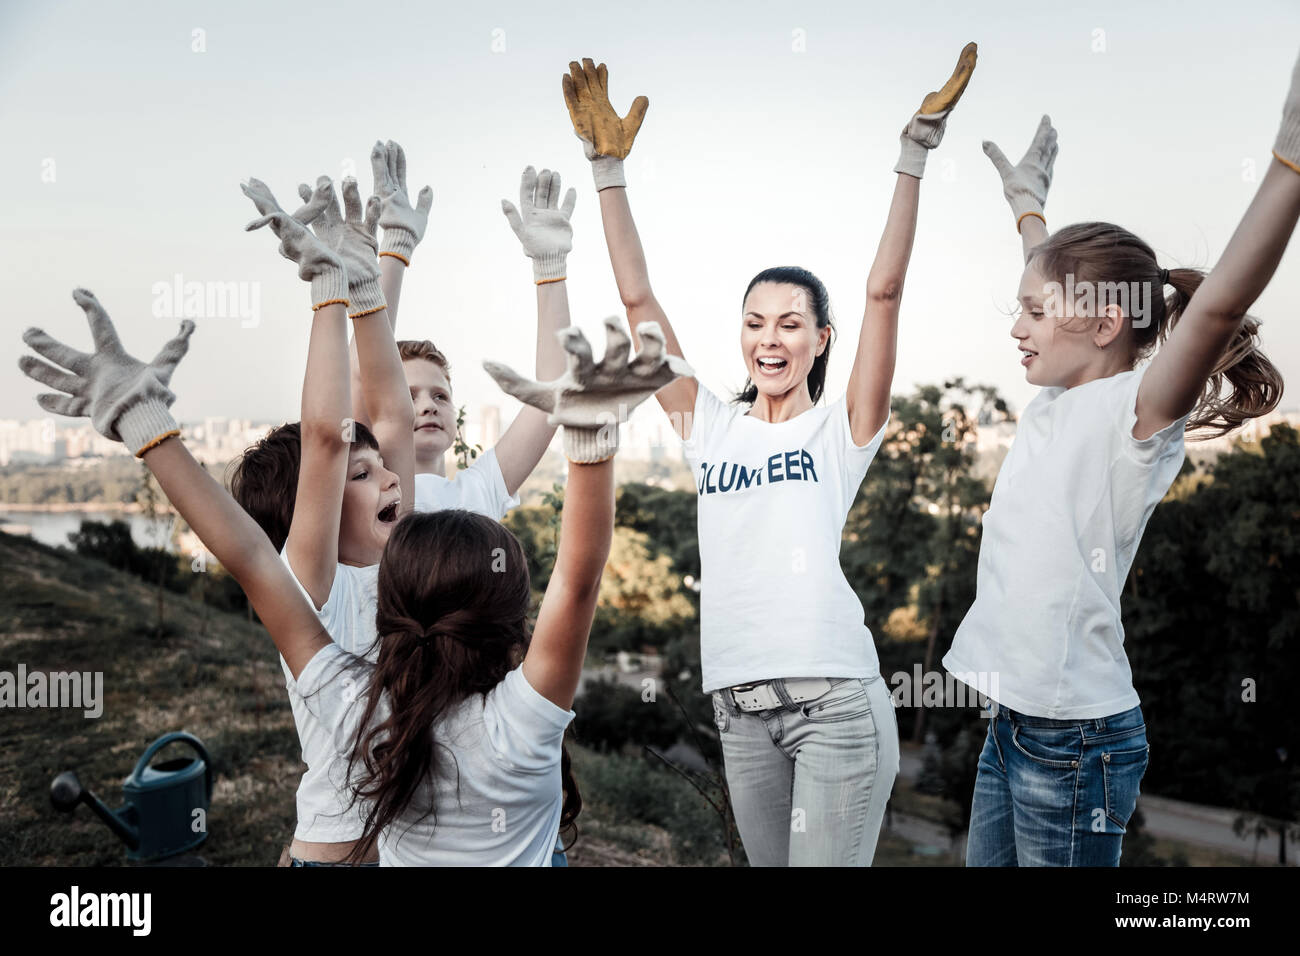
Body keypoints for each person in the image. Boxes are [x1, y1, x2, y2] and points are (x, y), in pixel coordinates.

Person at [17, 240, 687, 865]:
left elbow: (269, 536)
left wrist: (352, 288)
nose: (395, 477)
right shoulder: (510, 722)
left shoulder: (360, 704)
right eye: (361, 474)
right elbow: (575, 577)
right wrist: (346, 287)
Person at [561, 44, 977, 865]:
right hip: (740, 714)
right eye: (755, 323)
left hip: (835, 708)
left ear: (821, 339)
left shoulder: (842, 429)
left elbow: (884, 292)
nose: (769, 339)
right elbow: (639, 299)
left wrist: (914, 154)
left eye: (790, 324)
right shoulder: (708, 426)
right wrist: (608, 172)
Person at [943, 51, 1297, 866]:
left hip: (1074, 743)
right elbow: (1056, 286)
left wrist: (1288, 165)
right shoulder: (1061, 394)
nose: (1016, 327)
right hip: (1013, 725)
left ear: (1105, 326)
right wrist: (1029, 209)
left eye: (1033, 313)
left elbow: (1217, 308)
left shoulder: (1133, 414)